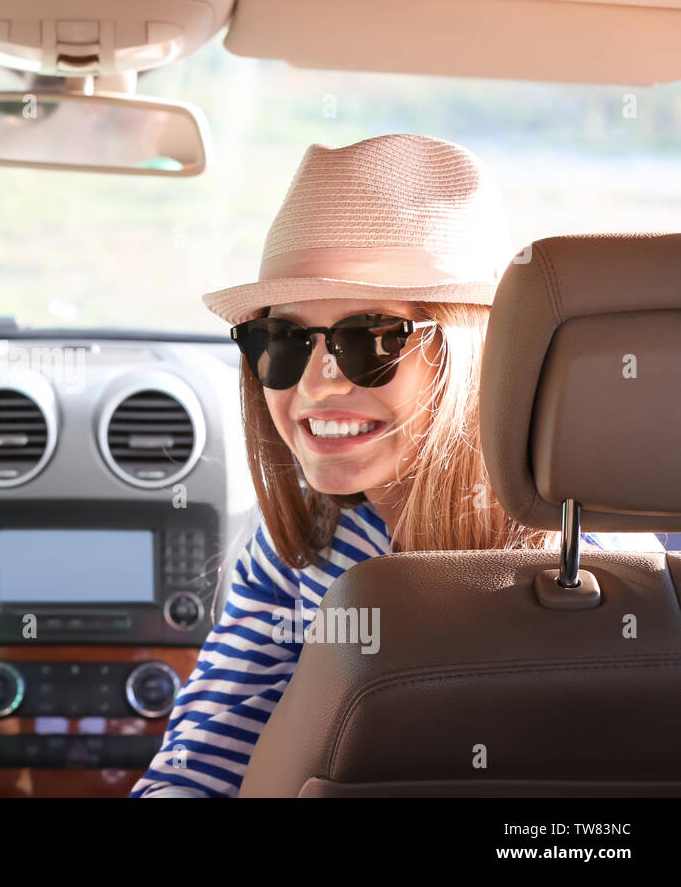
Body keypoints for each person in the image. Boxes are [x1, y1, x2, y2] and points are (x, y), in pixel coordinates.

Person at [130, 133, 664, 798]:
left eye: (370, 339)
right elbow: (206, 757)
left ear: (473, 352)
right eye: (284, 340)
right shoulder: (300, 547)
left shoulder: (596, 566)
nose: (319, 385)